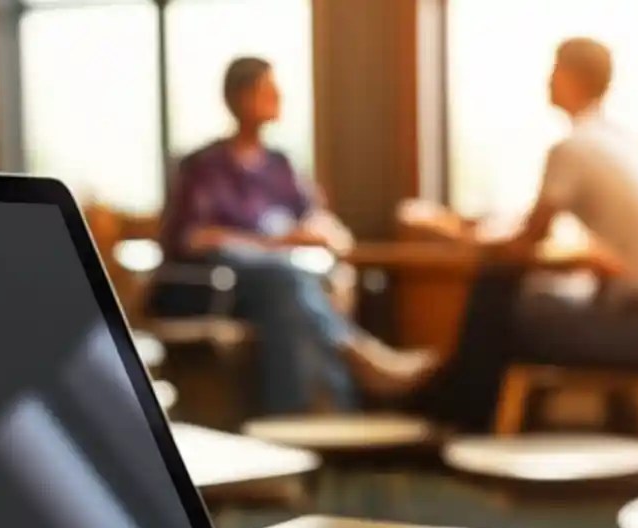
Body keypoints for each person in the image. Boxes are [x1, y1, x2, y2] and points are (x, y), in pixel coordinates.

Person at [423, 37, 638, 430]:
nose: (547, 80)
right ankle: (456, 409)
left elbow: (523, 243)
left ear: (571, 77)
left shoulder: (572, 148)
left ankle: (458, 420)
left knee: (497, 293)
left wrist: (451, 233)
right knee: (522, 295)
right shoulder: (632, 143)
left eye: (553, 70)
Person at [159, 57, 436, 415]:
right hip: (216, 286)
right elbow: (195, 239)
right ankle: (355, 359)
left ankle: (314, 422)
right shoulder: (204, 166)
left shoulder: (280, 165)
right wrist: (277, 245)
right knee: (284, 278)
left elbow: (317, 218)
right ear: (239, 98)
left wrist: (331, 239)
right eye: (267, 90)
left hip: (281, 284)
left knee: (293, 299)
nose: (278, 97)